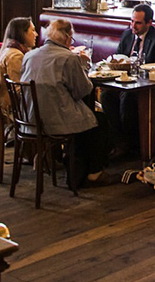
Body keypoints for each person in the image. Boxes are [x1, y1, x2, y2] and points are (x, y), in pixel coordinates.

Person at [19, 18, 113, 187]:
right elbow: (83, 90)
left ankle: (71, 163)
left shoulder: (29, 56)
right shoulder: (68, 58)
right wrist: (83, 66)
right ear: (68, 37)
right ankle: (94, 173)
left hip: (29, 121)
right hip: (56, 122)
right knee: (99, 122)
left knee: (89, 121)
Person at [100, 4, 155, 154]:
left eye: (138, 23)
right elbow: (118, 58)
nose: (133, 26)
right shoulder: (127, 35)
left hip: (147, 85)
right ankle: (120, 141)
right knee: (106, 95)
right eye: (131, 21)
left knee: (127, 98)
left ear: (149, 23)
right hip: (124, 82)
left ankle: (133, 145)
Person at [0, 17, 38, 119]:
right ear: (22, 33)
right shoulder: (15, 56)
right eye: (33, 30)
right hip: (11, 112)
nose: (36, 34)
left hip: (6, 108)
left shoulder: (9, 50)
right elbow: (18, 90)